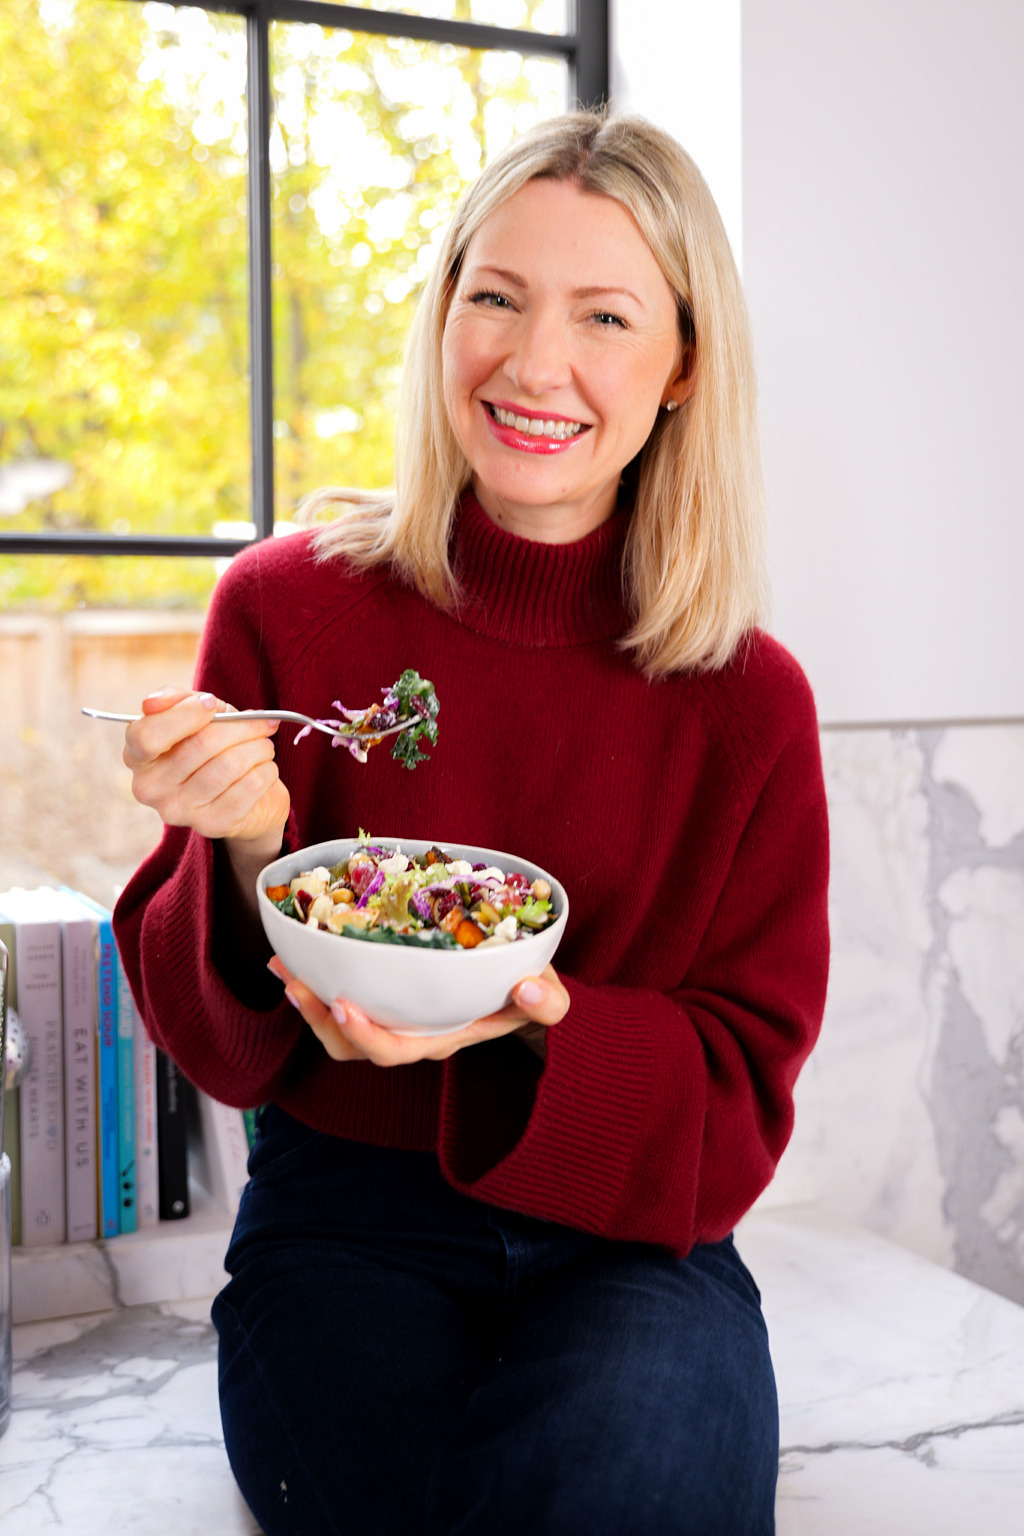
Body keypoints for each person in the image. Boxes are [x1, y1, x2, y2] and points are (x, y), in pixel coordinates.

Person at [113, 110, 829, 1536]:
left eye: (607, 316)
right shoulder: (285, 608)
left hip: (644, 1247)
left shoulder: (747, 701)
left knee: (616, 1489)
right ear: (442, 318)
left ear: (684, 364)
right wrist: (243, 843)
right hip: (344, 1231)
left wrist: (524, 1017)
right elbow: (213, 1044)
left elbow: (742, 1099)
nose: (534, 363)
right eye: (492, 297)